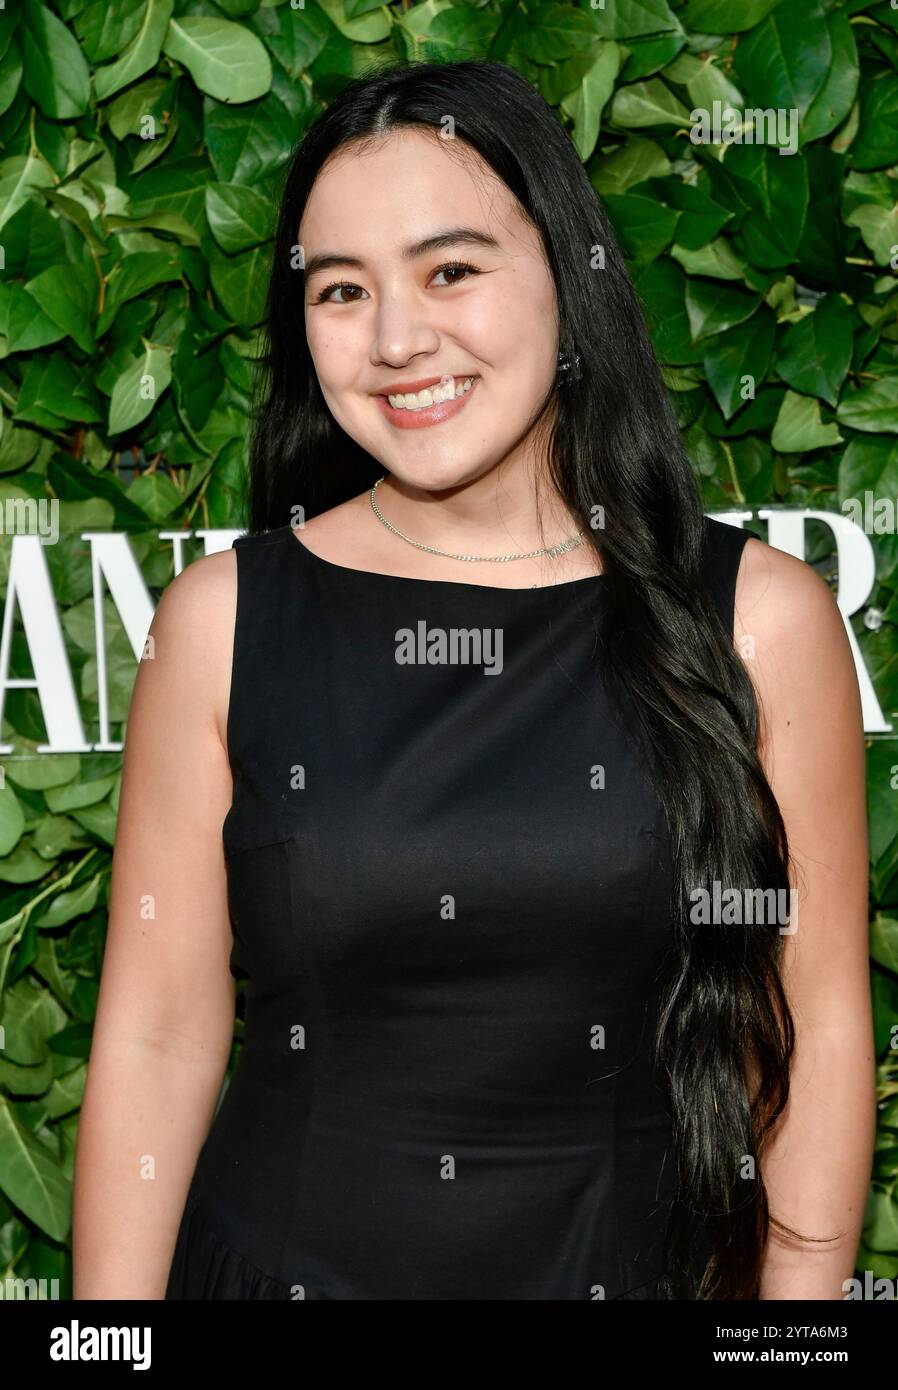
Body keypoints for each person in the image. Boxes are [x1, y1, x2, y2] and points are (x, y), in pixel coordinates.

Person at [72, 59, 874, 1301]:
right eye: (342, 290)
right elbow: (159, 1032)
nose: (397, 339)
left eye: (450, 269)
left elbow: (811, 1032)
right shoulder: (223, 622)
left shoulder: (759, 622)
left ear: (568, 272)